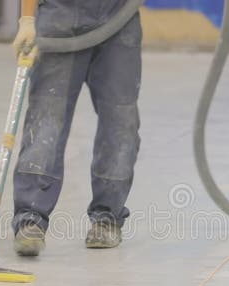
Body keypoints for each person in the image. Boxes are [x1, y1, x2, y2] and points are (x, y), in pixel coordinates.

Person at [10, 0, 142, 256]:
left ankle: (107, 218)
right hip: (61, 15)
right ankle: (30, 220)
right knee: (47, 119)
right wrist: (27, 19)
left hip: (119, 16)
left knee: (120, 122)